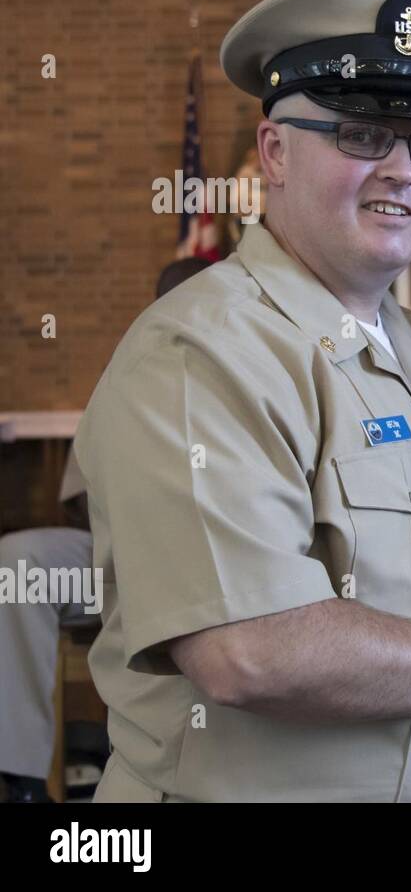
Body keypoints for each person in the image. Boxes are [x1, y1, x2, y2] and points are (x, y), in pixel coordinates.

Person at [73, 0, 411, 802]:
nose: (402, 169)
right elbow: (249, 648)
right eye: (360, 134)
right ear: (274, 152)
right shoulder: (201, 351)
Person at [0, 258, 212, 804]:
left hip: (219, 568)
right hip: (124, 559)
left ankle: (131, 758)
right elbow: (82, 499)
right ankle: (19, 777)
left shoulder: (261, 367)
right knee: (21, 562)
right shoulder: (134, 367)